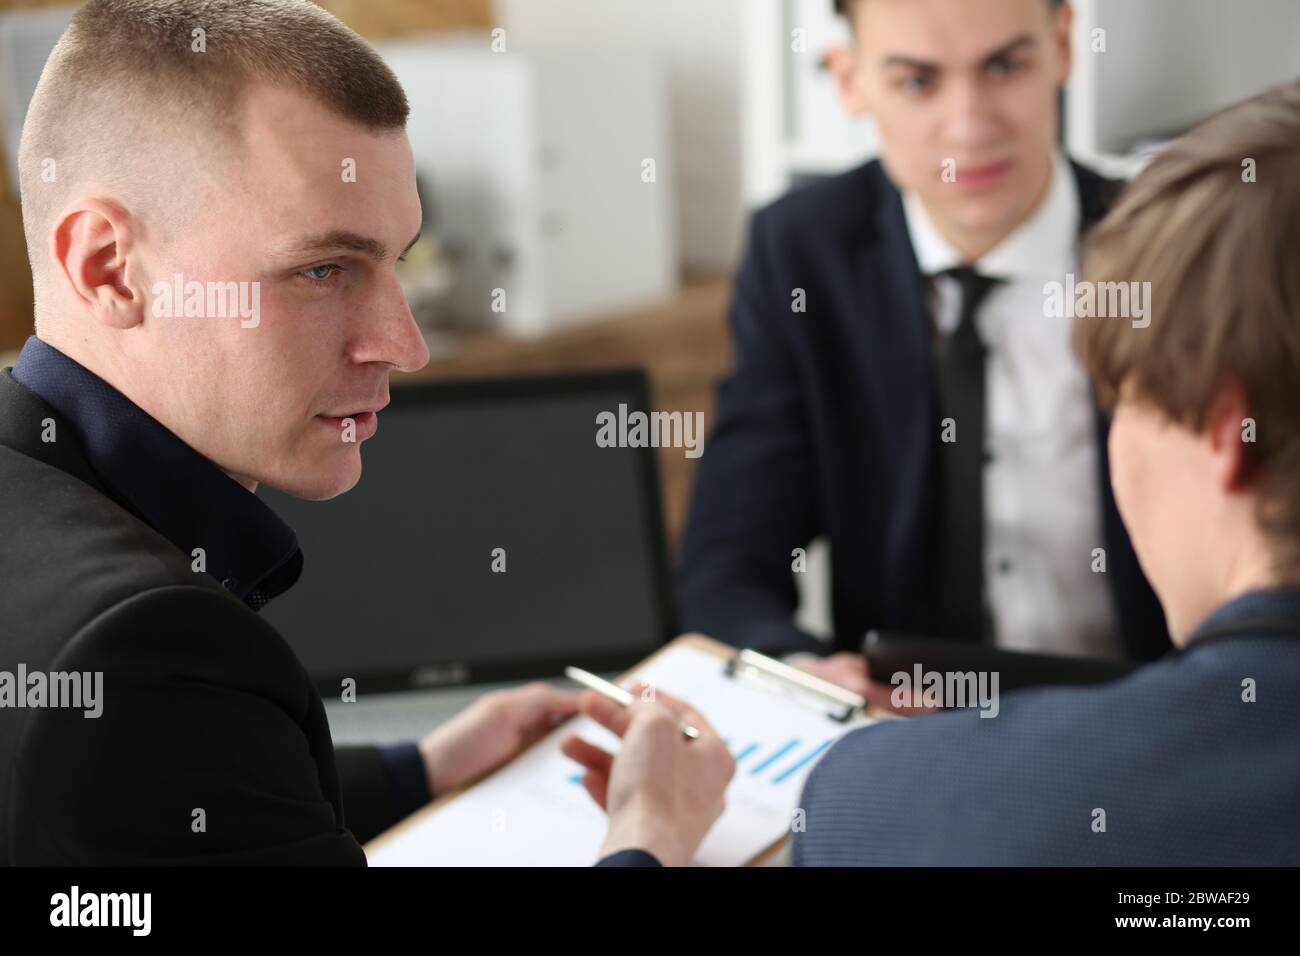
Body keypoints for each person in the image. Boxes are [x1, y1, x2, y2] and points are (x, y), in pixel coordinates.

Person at [0, 0, 733, 867]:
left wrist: (417, 769)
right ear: (109, 269)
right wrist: (650, 838)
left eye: (400, 261)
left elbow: (181, 806)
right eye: (323, 269)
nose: (406, 344)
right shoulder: (147, 650)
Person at [785, 78, 1300, 864]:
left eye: (1125, 400)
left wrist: (639, 845)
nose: (967, 122)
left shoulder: (878, 807)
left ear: (1227, 433)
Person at [677, 0, 1169, 710]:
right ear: (849, 80)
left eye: (1005, 66)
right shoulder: (801, 255)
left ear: (1062, 45)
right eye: (917, 82)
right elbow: (727, 564)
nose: (969, 128)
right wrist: (802, 673)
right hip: (911, 741)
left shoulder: (1174, 245)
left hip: (1144, 721)